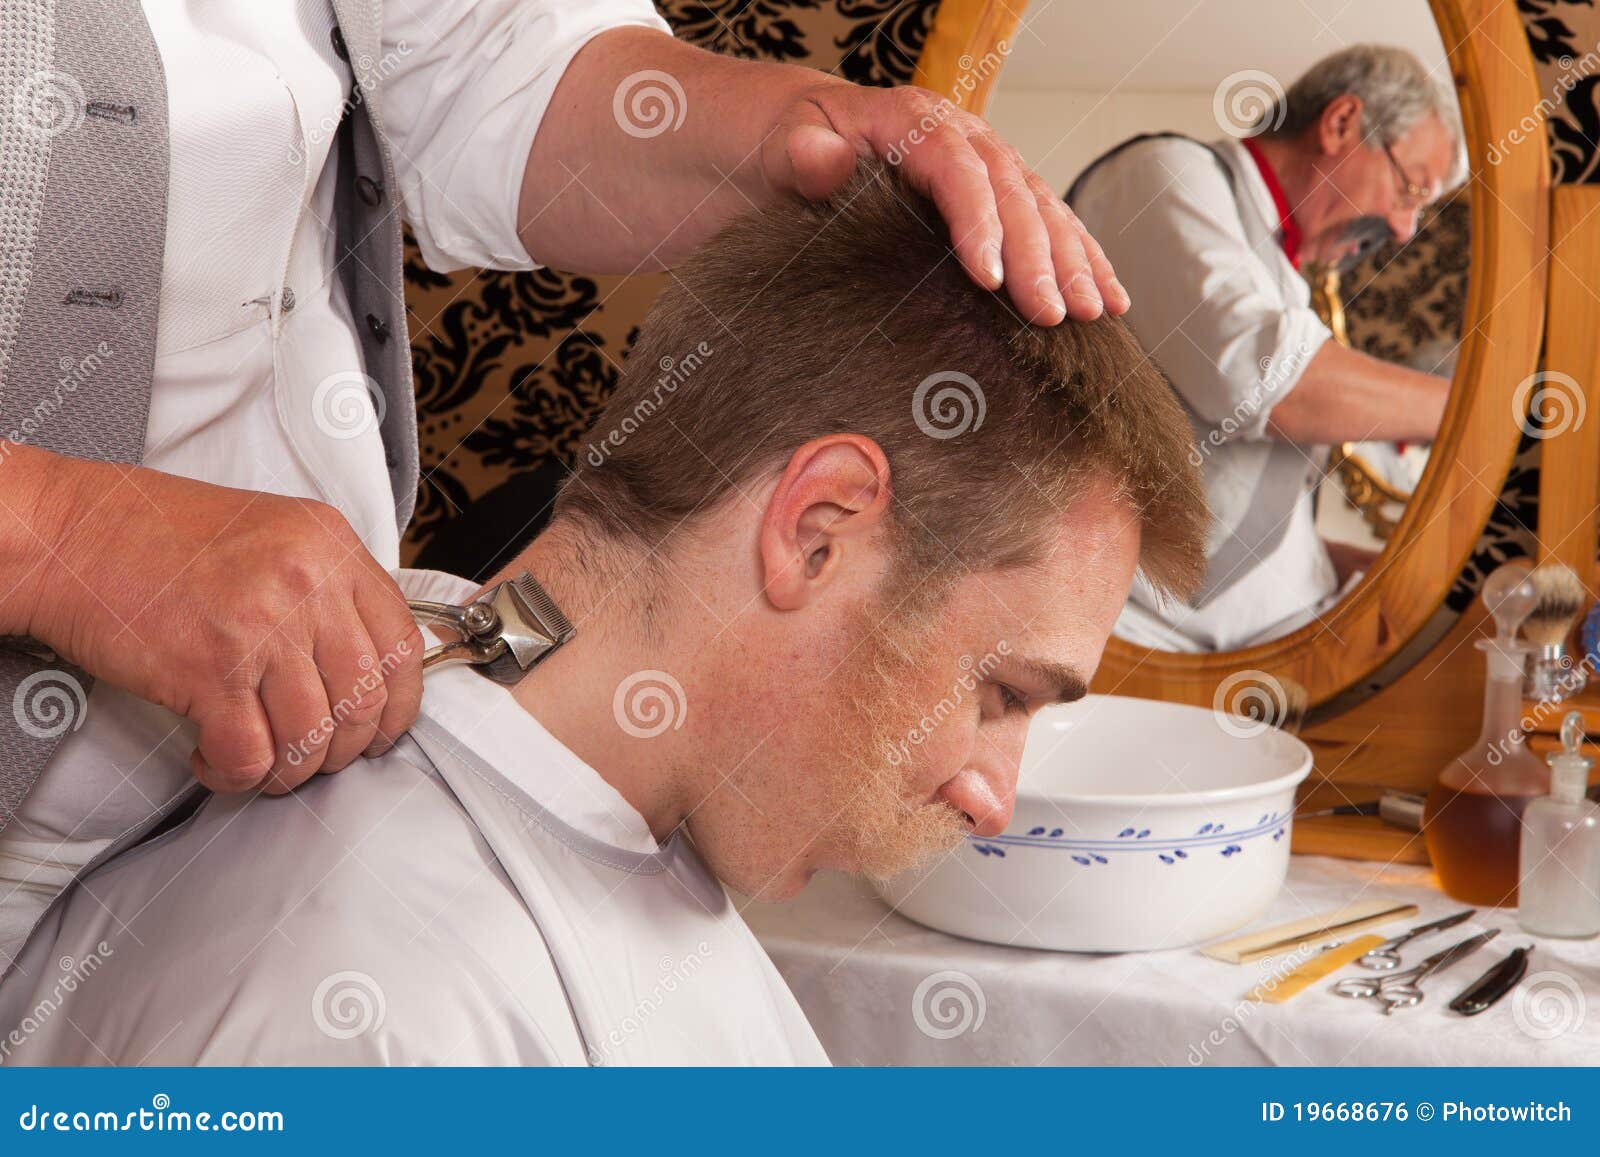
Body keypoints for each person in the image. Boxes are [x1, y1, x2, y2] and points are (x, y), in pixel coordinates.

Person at [0, 2, 1133, 965]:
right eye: (1005, 694)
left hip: (253, 792)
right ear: (816, 528)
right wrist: (53, 532)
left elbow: (481, 54)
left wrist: (778, 134)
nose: (993, 798)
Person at [1066, 45, 1464, 652]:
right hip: (1136, 649)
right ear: (1340, 124)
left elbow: (1237, 493)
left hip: (1268, 652)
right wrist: (1475, 406)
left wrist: (1327, 563)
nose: (1406, 228)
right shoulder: (1163, 174)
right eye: (1410, 190)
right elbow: (1271, 387)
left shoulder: (1281, 274)